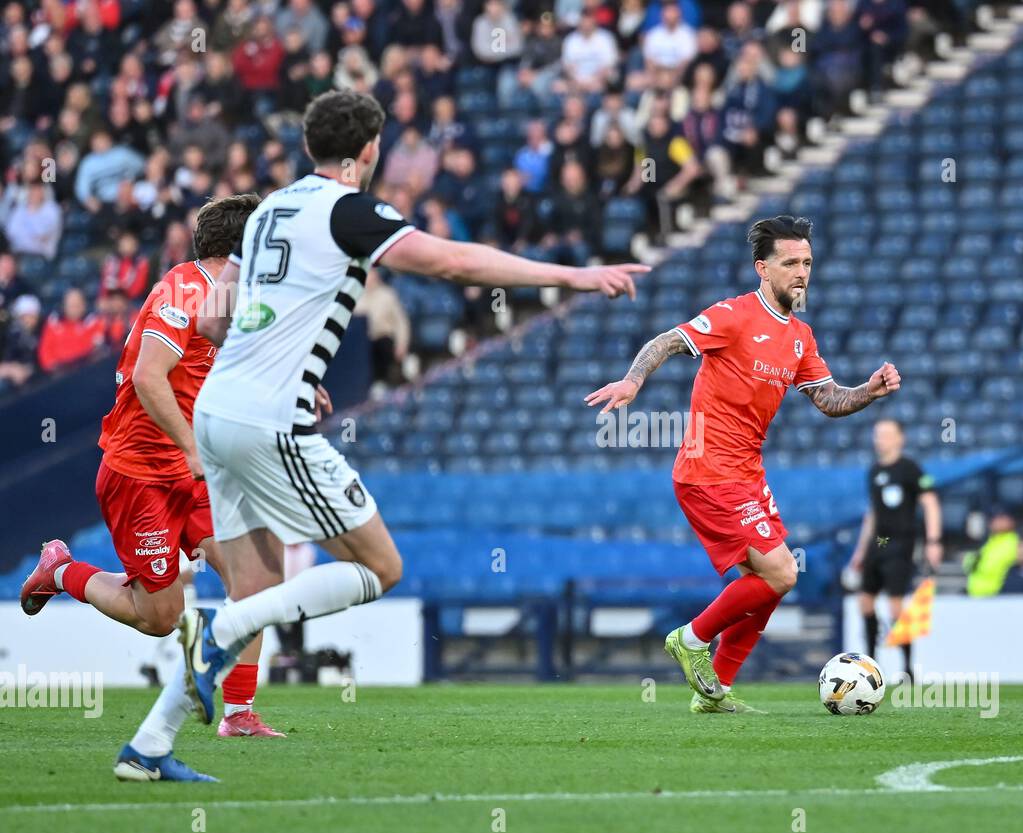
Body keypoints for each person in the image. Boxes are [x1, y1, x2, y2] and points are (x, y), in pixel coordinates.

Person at [174, 90, 646, 774]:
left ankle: (239, 711)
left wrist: (285, 355)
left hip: (216, 408)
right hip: (267, 416)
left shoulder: (267, 209)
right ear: (369, 150)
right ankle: (220, 630)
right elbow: (452, 263)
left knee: (259, 573)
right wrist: (570, 274)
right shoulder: (351, 211)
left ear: (310, 146)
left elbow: (217, 322)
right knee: (379, 566)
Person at [586, 215, 900, 713]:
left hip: (748, 475)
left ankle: (716, 692)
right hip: (708, 470)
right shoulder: (734, 316)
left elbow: (829, 400)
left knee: (777, 579)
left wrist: (869, 391)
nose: (802, 273)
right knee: (781, 572)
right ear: (763, 268)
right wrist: (633, 380)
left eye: (808, 263)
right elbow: (665, 341)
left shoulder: (800, 336)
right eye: (791, 263)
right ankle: (691, 639)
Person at [19, 195, 281, 785]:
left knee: (257, 576)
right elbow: (147, 376)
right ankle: (61, 572)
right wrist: (190, 448)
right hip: (141, 471)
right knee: (160, 618)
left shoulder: (235, 302)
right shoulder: (183, 291)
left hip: (198, 470)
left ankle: (238, 714)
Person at [847, 418, 940, 680]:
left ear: (900, 438)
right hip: (879, 542)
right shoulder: (874, 470)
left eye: (887, 434)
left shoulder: (910, 469)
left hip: (901, 542)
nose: (881, 439)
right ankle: (871, 665)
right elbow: (873, 514)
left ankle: (908, 668)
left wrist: (933, 541)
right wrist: (859, 553)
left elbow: (931, 503)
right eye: (878, 434)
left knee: (895, 607)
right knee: (864, 601)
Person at [964, 512, 1017, 596]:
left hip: (995, 593)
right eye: (994, 519)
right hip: (975, 592)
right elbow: (967, 565)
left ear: (1011, 521)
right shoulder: (990, 540)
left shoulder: (1013, 541)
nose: (995, 522)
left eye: (1000, 518)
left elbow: (992, 566)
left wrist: (978, 563)